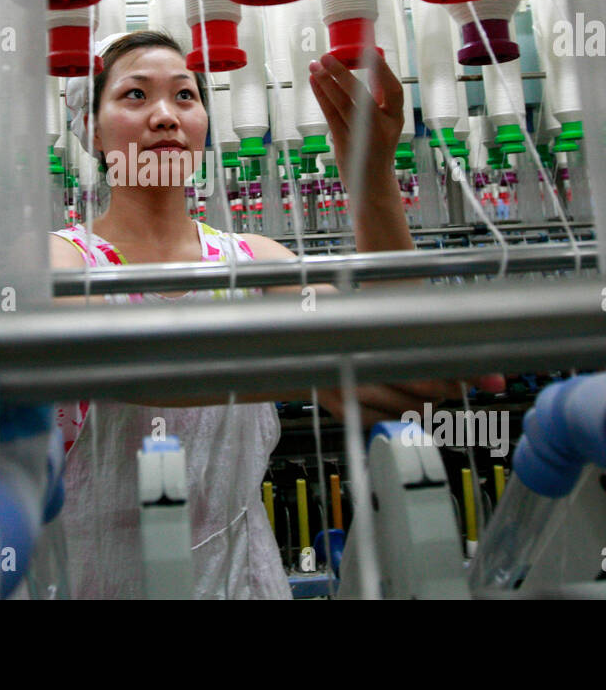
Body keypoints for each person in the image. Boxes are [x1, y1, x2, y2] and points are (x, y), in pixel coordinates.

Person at [48, 29, 465, 599]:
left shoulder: (256, 261)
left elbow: (410, 373)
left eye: (185, 96)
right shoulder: (63, 258)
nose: (166, 116)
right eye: (135, 96)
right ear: (92, 129)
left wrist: (372, 180)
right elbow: (124, 361)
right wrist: (319, 365)